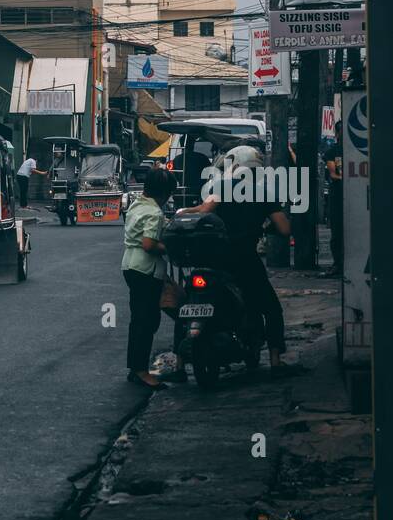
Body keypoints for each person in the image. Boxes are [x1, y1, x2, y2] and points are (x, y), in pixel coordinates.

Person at [180, 142, 292, 373]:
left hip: (215, 259)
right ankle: (275, 360)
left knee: (188, 303)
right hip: (246, 261)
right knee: (271, 309)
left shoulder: (222, 187)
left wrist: (182, 212)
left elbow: (203, 211)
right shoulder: (264, 193)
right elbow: (284, 229)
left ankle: (179, 363)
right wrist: (264, 229)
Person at [121, 168, 175, 389]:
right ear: (164, 193)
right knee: (146, 321)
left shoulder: (137, 205)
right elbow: (149, 245)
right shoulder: (154, 213)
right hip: (145, 269)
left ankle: (136, 368)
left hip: (130, 266)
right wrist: (171, 247)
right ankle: (142, 371)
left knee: (139, 320)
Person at [323, 122, 344, 277]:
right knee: (337, 231)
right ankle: (338, 263)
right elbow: (333, 174)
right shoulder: (332, 152)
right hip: (337, 194)